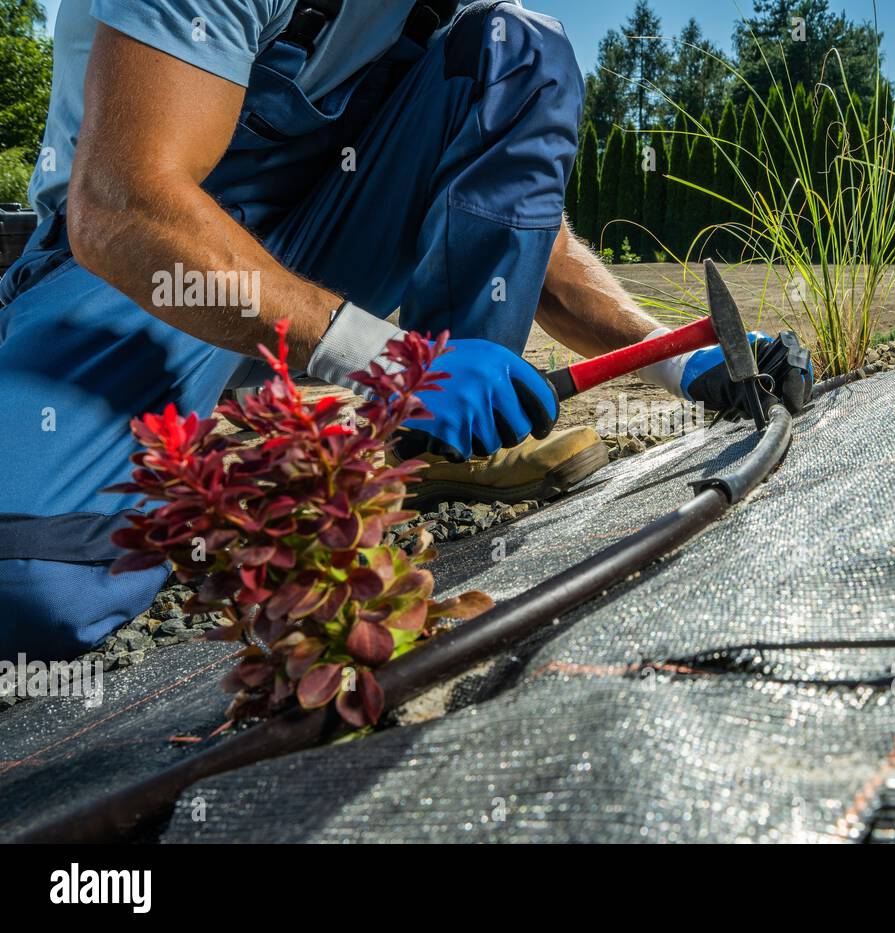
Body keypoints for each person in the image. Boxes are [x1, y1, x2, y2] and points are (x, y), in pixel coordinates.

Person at [0, 0, 812, 661]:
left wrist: (680, 357)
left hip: (311, 243)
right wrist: (387, 359)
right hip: (133, 270)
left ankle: (446, 448)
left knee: (520, 51)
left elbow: (510, 222)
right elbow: (121, 207)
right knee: (38, 586)